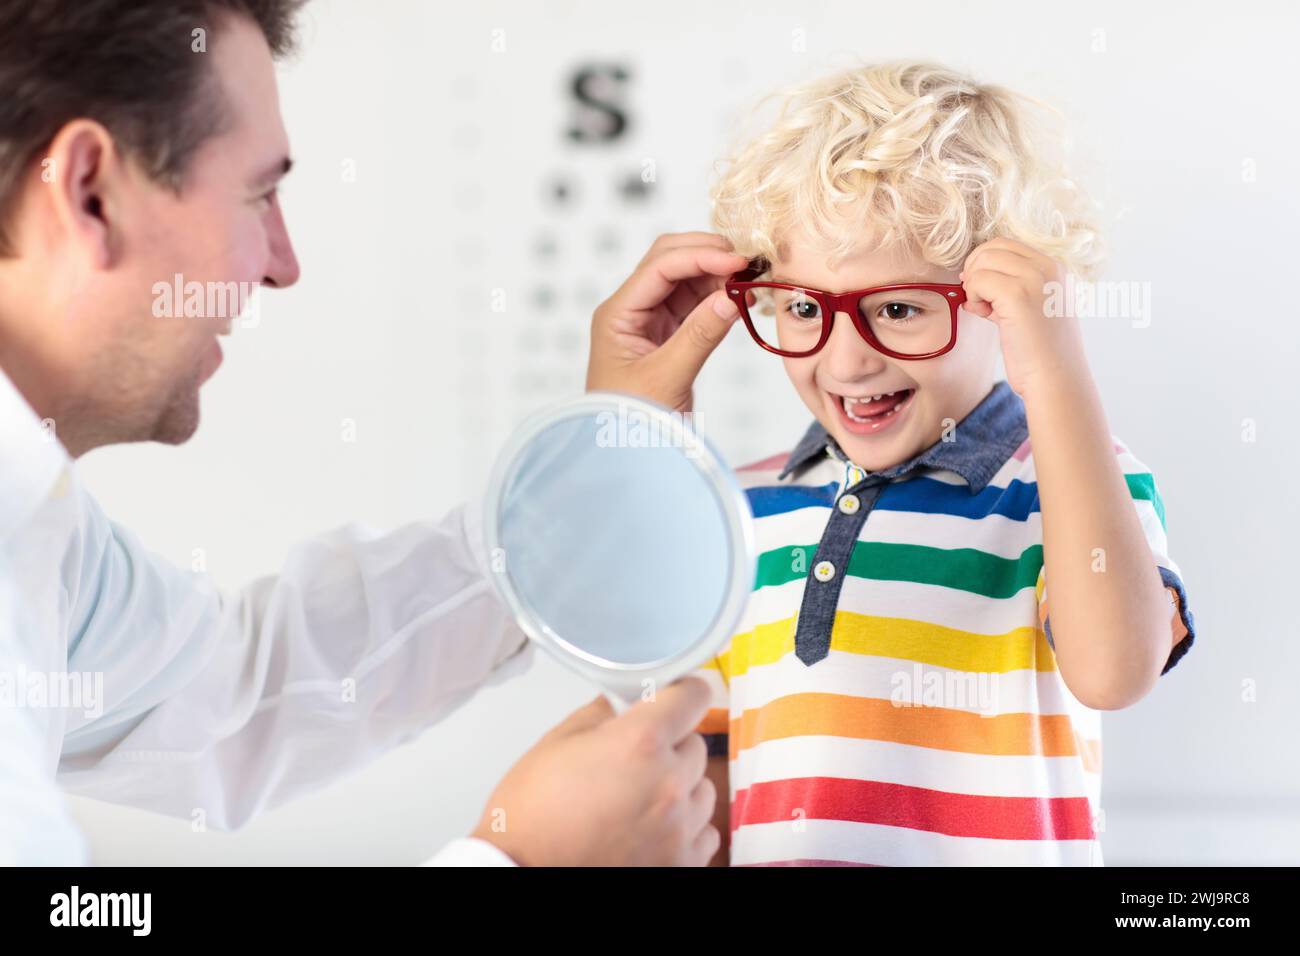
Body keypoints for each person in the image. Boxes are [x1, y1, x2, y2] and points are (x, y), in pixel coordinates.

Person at [0, 0, 723, 866]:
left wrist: (586, 488)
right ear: (89, 191)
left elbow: (238, 689)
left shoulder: (38, 534)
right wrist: (520, 861)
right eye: (258, 193)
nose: (283, 261)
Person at [619, 62, 1197, 866]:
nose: (848, 363)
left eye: (897, 308)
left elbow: (1116, 672)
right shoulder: (740, 503)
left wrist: (1057, 376)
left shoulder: (1067, 485)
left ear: (1008, 307)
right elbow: (699, 776)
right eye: (804, 308)